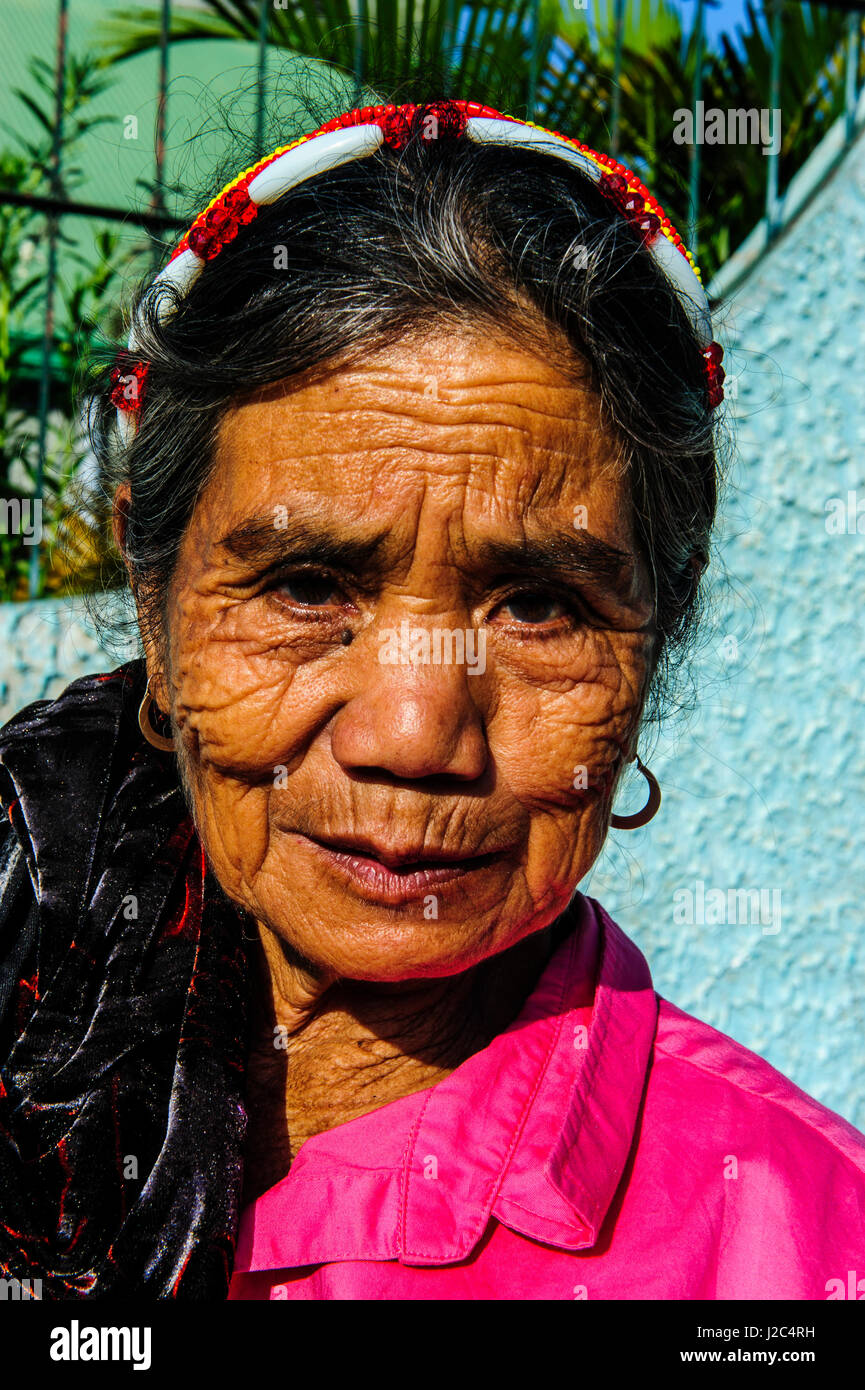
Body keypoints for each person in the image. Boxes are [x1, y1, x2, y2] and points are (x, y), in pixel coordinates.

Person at [1, 98, 862, 1301]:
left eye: (539, 607)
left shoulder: (802, 1250)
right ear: (156, 595)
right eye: (306, 585)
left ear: (656, 630)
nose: (411, 737)